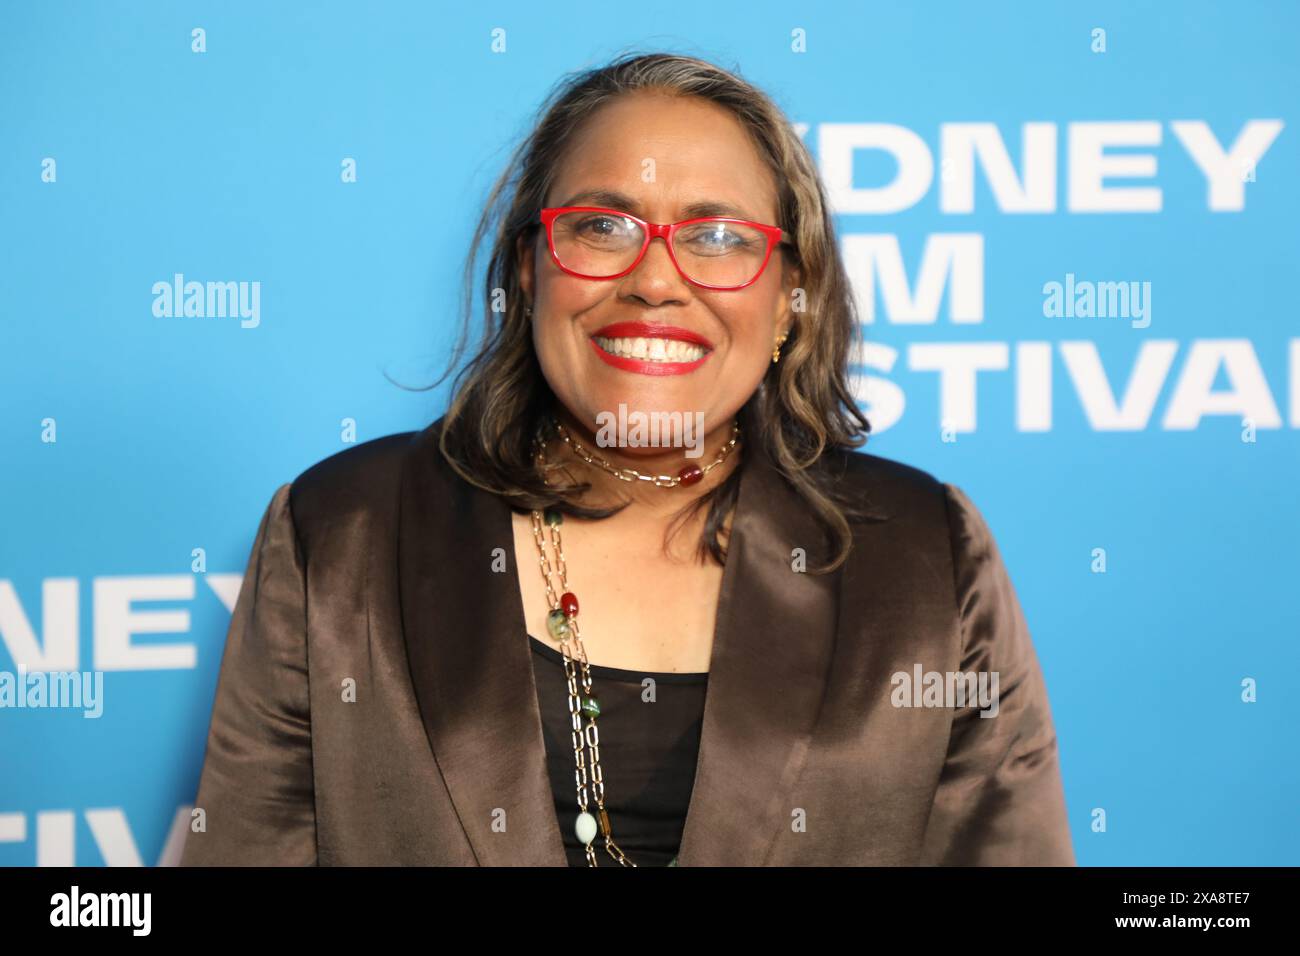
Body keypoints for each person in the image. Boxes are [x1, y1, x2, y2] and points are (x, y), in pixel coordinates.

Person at [180, 51, 1074, 867]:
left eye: (717, 238)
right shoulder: (341, 538)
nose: (654, 280)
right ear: (530, 268)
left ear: (791, 295)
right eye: (604, 226)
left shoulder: (924, 556)